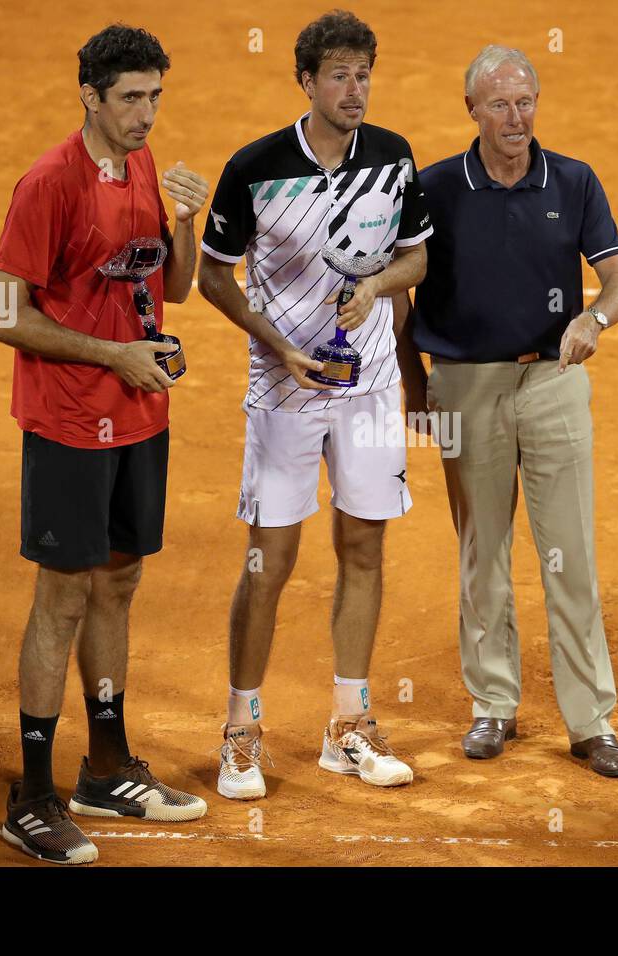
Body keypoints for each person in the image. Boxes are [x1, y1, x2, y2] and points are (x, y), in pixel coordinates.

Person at [0, 24, 210, 863]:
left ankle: (106, 767)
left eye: (155, 96)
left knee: (119, 582)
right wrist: (111, 353)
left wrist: (188, 223)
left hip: (140, 415)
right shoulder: (48, 183)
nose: (147, 114)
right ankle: (31, 797)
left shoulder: (144, 165)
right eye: (130, 99)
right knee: (63, 597)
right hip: (71, 421)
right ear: (90, 96)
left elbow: (175, 290)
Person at [197, 11, 430, 799]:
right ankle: (240, 731)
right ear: (306, 81)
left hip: (367, 387)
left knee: (364, 548)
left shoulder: (394, 158)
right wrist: (278, 346)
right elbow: (214, 276)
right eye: (339, 75)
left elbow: (416, 258)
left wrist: (373, 287)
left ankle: (348, 727)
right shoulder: (255, 168)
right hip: (283, 391)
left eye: (364, 74)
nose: (355, 89)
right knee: (270, 561)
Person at [396, 45, 618, 777]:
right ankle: (493, 707)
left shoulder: (573, 178)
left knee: (571, 553)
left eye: (525, 101)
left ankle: (591, 720)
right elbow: (401, 293)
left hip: (554, 381)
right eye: (499, 103)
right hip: (464, 387)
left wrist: (593, 321)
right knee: (482, 556)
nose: (515, 116)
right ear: (470, 108)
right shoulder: (434, 187)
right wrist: (415, 389)